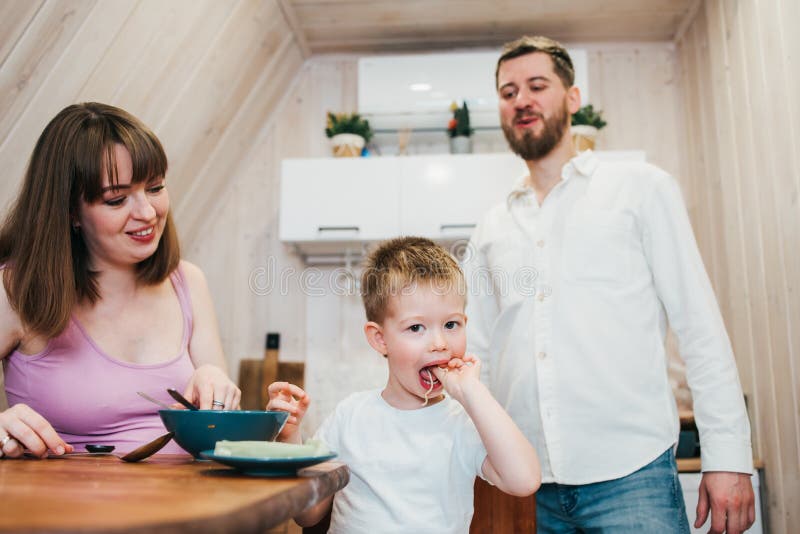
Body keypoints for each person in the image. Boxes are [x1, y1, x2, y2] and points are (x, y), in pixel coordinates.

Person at [462, 35, 755, 533]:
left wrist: (728, 456)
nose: (522, 101)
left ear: (573, 99)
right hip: (526, 485)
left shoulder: (641, 189)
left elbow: (699, 326)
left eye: (537, 85)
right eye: (508, 92)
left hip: (633, 476)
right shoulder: (491, 227)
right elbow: (478, 355)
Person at [0, 102, 240, 458]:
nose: (146, 213)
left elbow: (218, 433)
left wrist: (216, 387)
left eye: (155, 188)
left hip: (188, 506)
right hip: (66, 509)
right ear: (70, 211)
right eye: (116, 199)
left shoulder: (188, 282)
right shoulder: (15, 289)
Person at [267, 236, 540, 534]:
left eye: (451, 325)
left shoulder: (462, 423)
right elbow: (307, 515)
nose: (439, 344)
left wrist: (473, 392)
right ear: (380, 339)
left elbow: (524, 480)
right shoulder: (349, 416)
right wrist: (290, 440)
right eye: (416, 328)